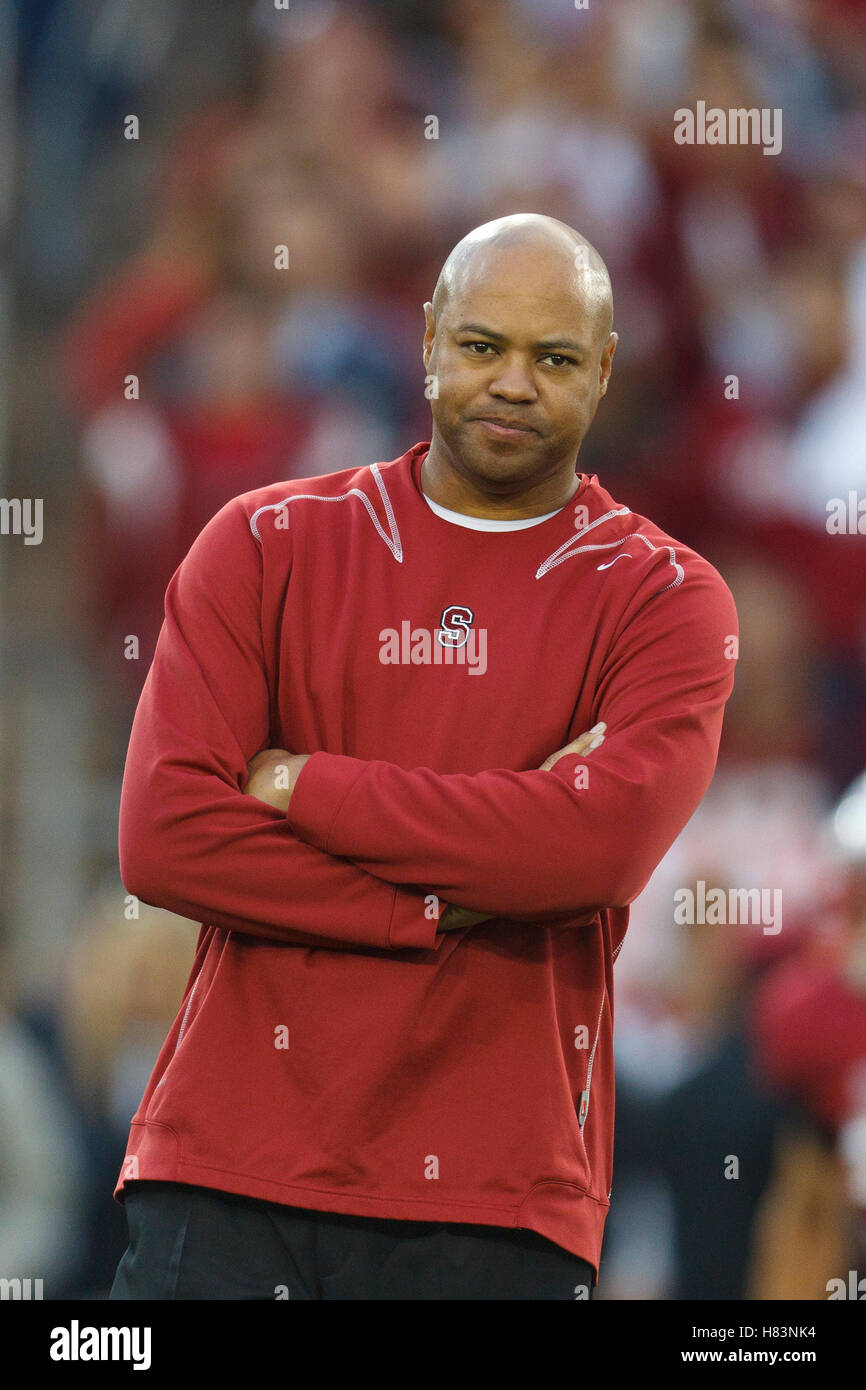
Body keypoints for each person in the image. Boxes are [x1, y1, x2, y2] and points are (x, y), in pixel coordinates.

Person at [110, 212, 738, 1300]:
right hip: (226, 1166)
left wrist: (304, 782)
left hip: (494, 1200)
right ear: (427, 338)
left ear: (602, 372)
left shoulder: (665, 599)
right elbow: (165, 838)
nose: (510, 383)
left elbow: (587, 851)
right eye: (482, 345)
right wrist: (444, 900)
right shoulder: (262, 543)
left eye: (550, 359)